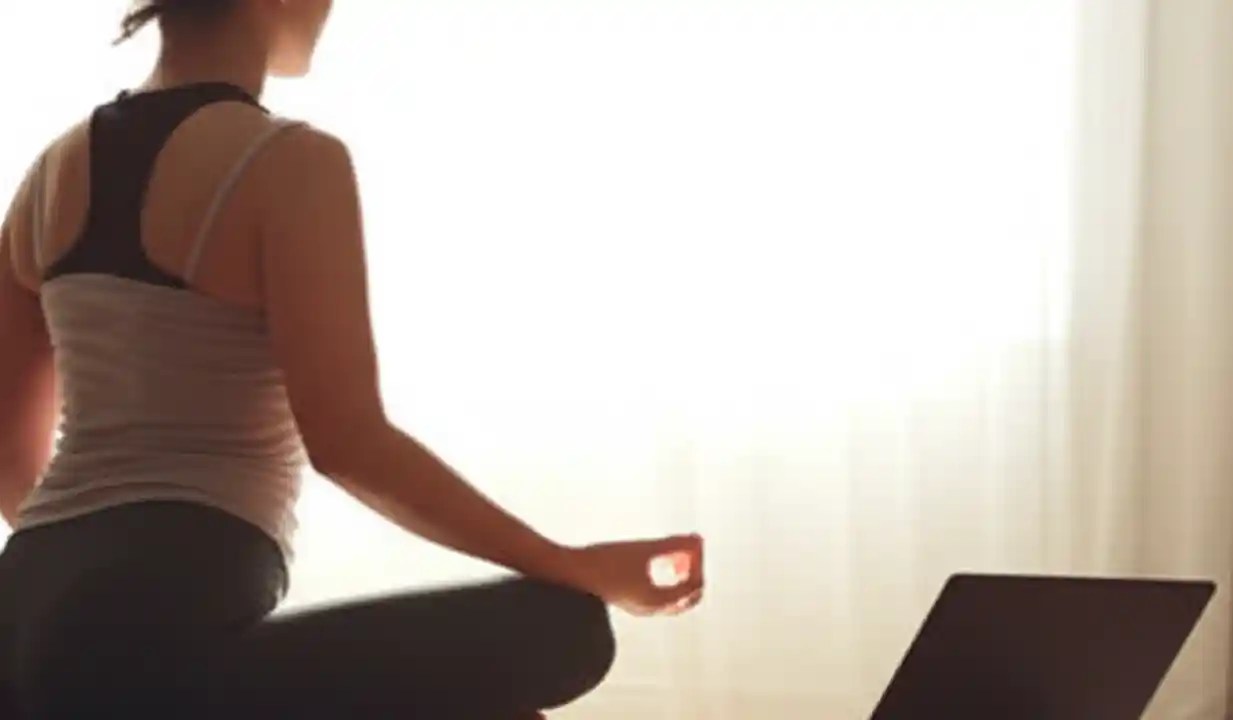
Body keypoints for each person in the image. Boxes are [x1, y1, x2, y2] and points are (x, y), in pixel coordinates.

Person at [0, 0, 705, 717]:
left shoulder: (49, 174)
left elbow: (7, 455)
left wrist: (81, 604)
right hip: (152, 629)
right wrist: (575, 565)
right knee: (568, 629)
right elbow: (349, 444)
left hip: (23, 618)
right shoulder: (284, 162)